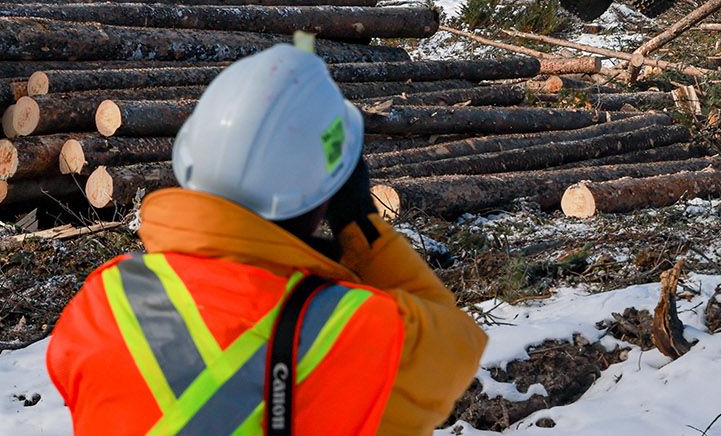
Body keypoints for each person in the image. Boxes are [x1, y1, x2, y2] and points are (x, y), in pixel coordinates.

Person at [47, 42, 487, 435]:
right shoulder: (352, 328)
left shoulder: (105, 298)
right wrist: (359, 223)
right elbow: (456, 345)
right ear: (328, 193)